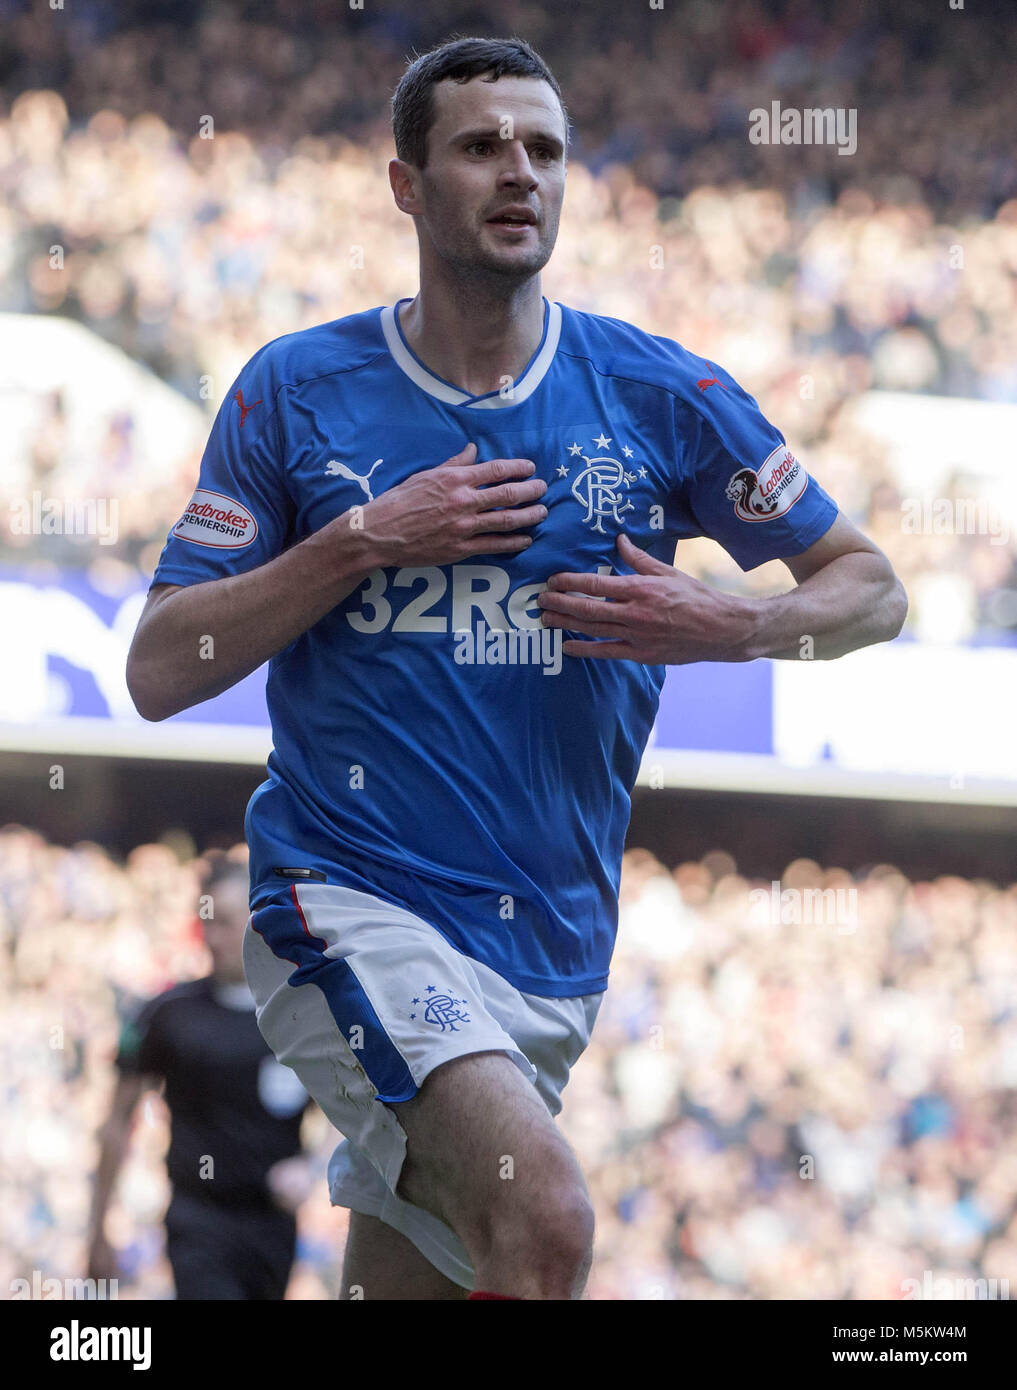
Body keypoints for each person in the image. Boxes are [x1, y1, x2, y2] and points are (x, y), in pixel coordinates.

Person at [125, 36, 907, 1300]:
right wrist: (368, 536)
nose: (520, 173)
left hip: (549, 947)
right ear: (406, 184)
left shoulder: (662, 394)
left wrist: (738, 626)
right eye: (483, 146)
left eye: (544, 150)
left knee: (437, 1274)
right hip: (346, 901)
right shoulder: (296, 389)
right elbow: (162, 668)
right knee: (545, 1219)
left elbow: (873, 587)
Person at [87, 857, 314, 1299]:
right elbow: (116, 1121)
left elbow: (353, 1106)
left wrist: (314, 1166)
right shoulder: (169, 1014)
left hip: (273, 1225)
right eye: (206, 922)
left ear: (258, 922)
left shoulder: (301, 1014)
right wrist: (98, 1229)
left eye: (226, 923)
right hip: (199, 1219)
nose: (213, 937)